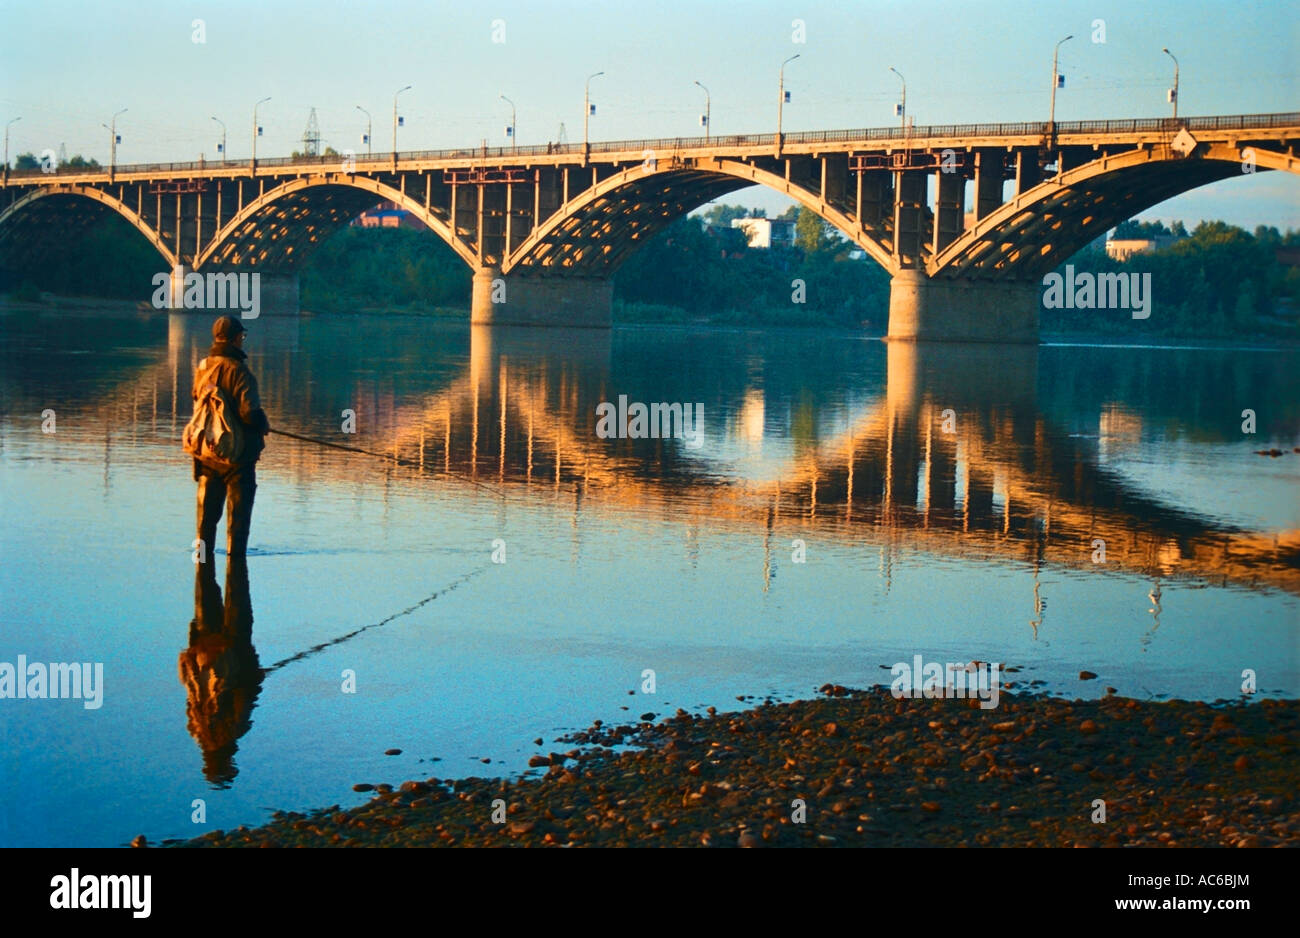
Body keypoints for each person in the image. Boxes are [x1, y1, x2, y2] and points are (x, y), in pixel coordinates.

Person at [193, 315, 270, 557]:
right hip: (239, 457)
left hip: (207, 452)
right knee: (237, 525)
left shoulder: (203, 367)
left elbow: (197, 399)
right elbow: (250, 413)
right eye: (242, 337)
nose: (243, 341)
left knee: (205, 524)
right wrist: (263, 423)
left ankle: (202, 573)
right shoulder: (240, 372)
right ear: (236, 339)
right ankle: (235, 567)